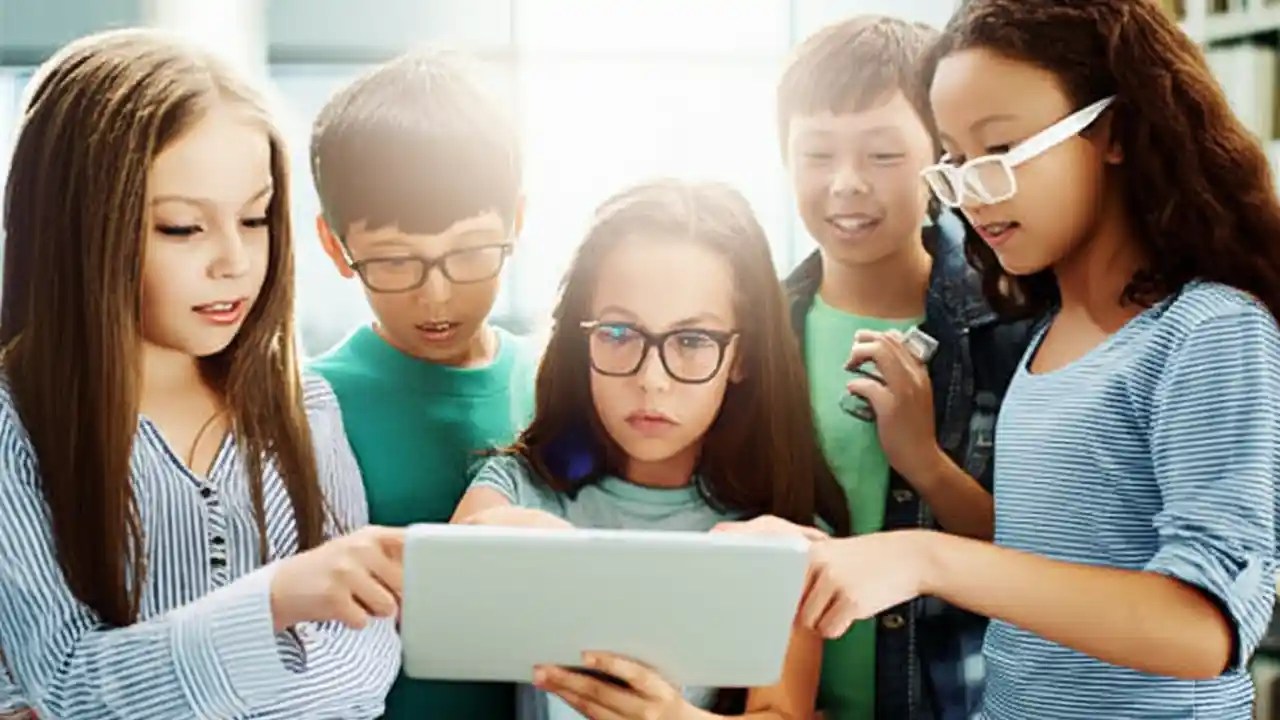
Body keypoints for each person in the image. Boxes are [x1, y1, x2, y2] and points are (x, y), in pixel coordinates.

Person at [787, 1, 1280, 718]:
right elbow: (1039, 558)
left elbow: (1203, 626)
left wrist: (922, 558)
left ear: (1113, 131)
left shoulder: (1210, 330)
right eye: (954, 162)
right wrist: (925, 462)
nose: (973, 196)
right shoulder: (1052, 327)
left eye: (1000, 153)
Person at [0, 28, 403, 719]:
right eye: (183, 228)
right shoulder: (16, 427)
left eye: (255, 218)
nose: (235, 262)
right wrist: (275, 602)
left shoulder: (304, 408)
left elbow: (361, 671)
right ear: (75, 226)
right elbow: (64, 683)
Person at [451, 179, 851, 719]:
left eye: (691, 342)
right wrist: (526, 545)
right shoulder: (522, 486)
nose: (651, 379)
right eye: (618, 333)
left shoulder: (777, 530)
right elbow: (444, 585)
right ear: (581, 338)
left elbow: (782, 713)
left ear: (742, 357)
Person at [776, 15, 1031, 719]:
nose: (847, 185)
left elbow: (1034, 564)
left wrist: (924, 460)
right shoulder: (751, 329)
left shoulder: (1006, 330)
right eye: (817, 155)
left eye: (884, 156)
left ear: (939, 163)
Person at [307, 49, 536, 719]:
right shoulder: (306, 405)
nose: (436, 296)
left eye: (470, 252)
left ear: (517, 223)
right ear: (334, 246)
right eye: (395, 261)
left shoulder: (559, 385)